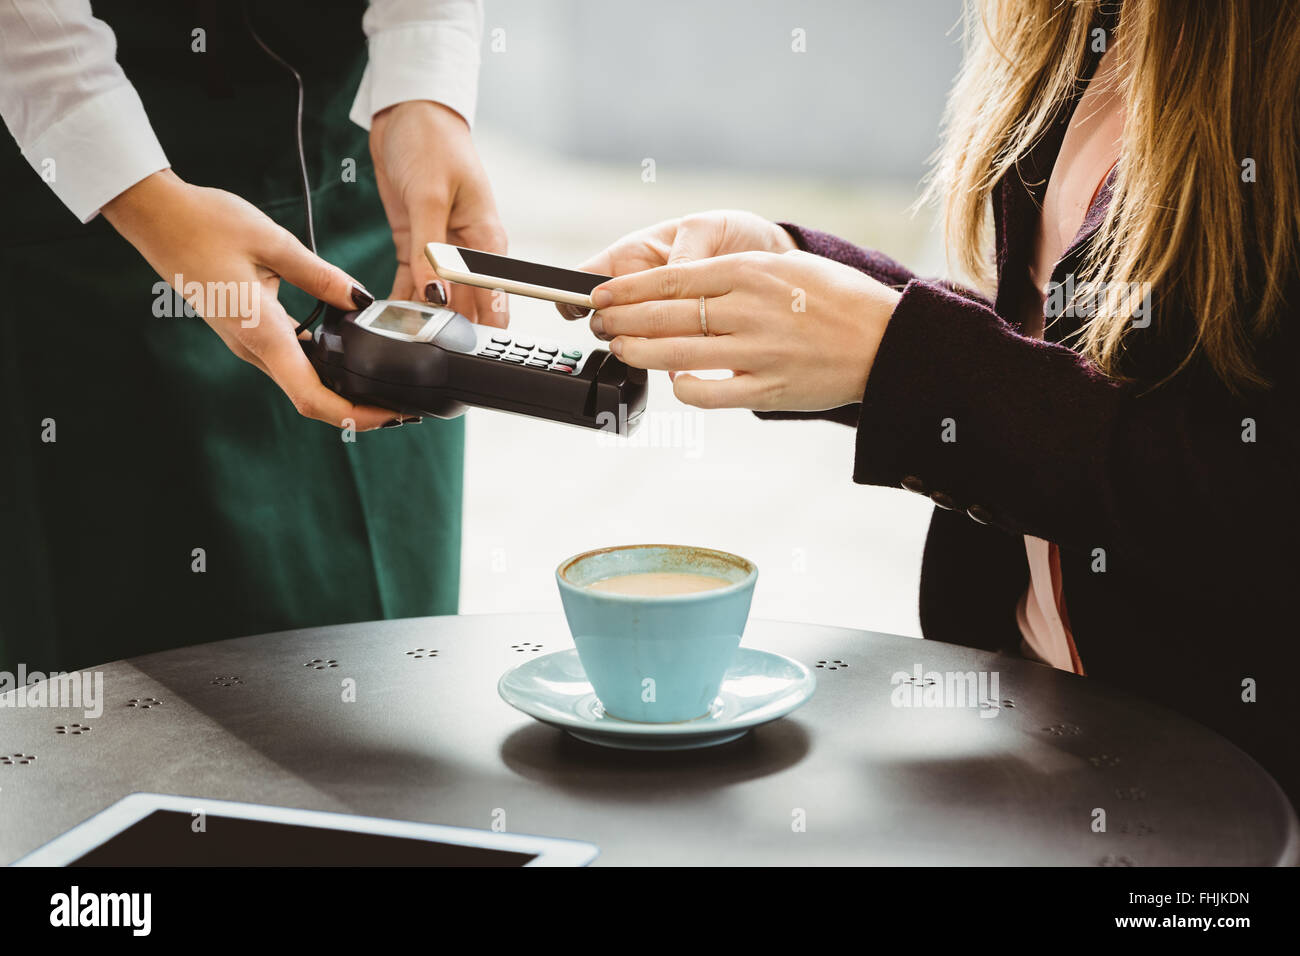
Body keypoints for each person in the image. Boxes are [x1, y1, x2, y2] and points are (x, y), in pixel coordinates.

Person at [561, 1, 1300, 803]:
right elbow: (1060, 365)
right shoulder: (1093, 26)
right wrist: (805, 275)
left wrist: (900, 354)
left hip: (1216, 787)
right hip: (1032, 729)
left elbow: (1246, 499)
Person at [0, 0, 505, 672]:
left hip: (352, 161)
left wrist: (424, 84)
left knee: (384, 679)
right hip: (73, 181)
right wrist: (136, 192)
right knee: (124, 667)